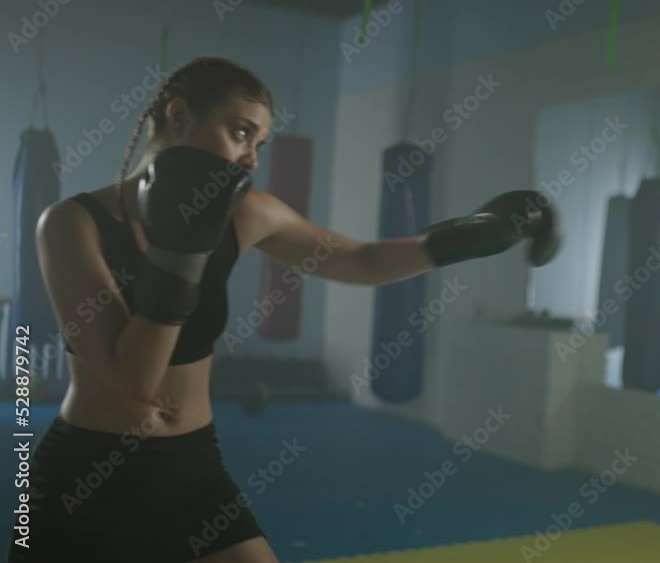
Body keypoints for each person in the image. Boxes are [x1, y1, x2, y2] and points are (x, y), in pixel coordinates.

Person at [9, 57, 559, 562]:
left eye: (261, 143)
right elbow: (134, 380)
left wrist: (468, 236)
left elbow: (361, 260)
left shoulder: (245, 213)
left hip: (191, 470)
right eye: (241, 132)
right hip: (83, 476)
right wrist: (183, 252)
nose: (250, 157)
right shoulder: (70, 224)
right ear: (178, 116)